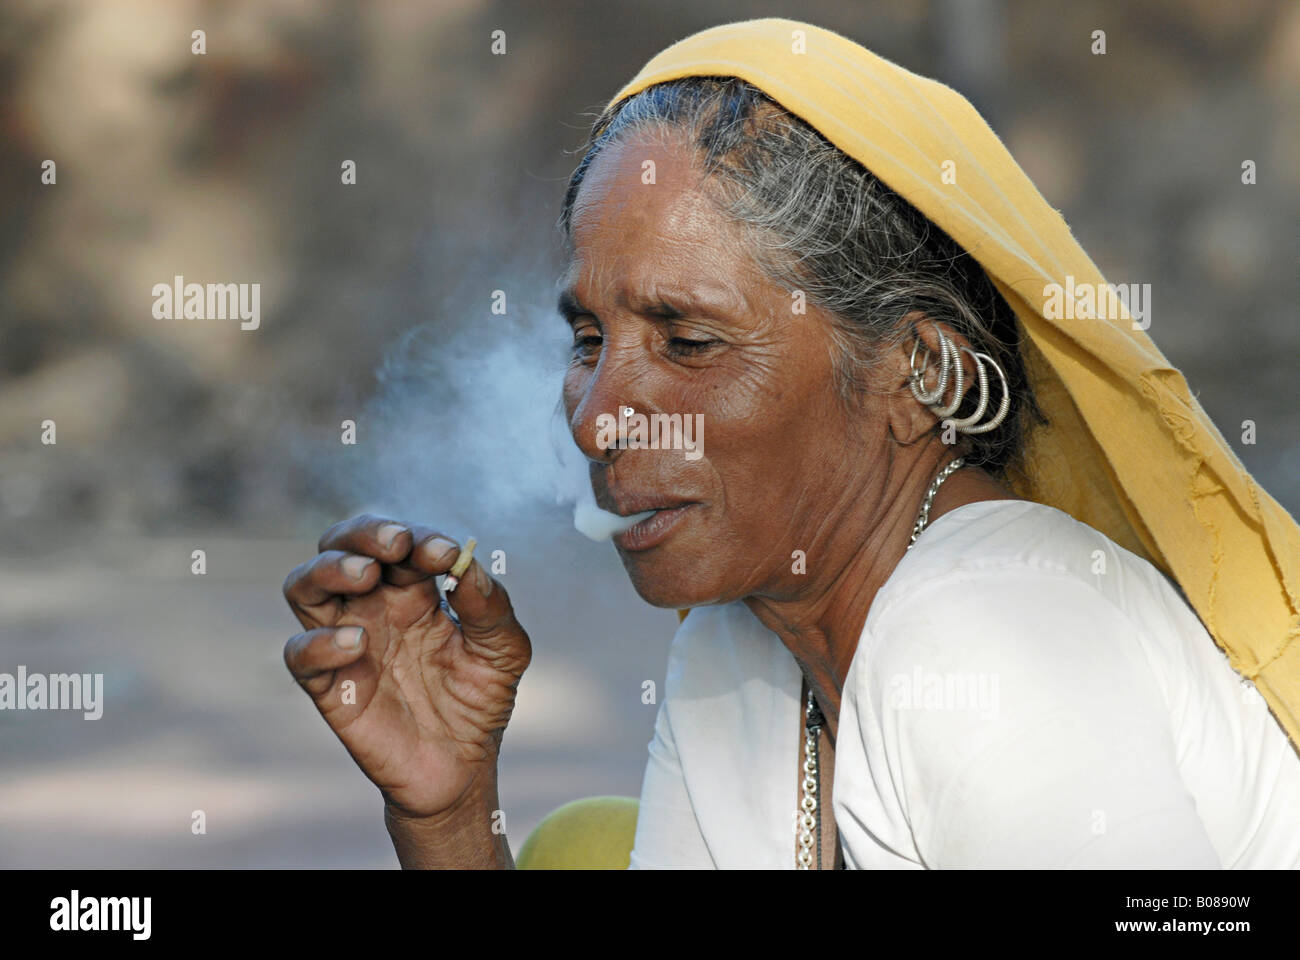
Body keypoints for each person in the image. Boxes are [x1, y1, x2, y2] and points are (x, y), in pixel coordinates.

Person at [281, 18, 1300, 869]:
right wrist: (450, 816)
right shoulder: (736, 647)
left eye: (687, 340)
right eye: (587, 339)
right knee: (579, 852)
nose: (595, 416)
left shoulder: (992, 640)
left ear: (913, 371)